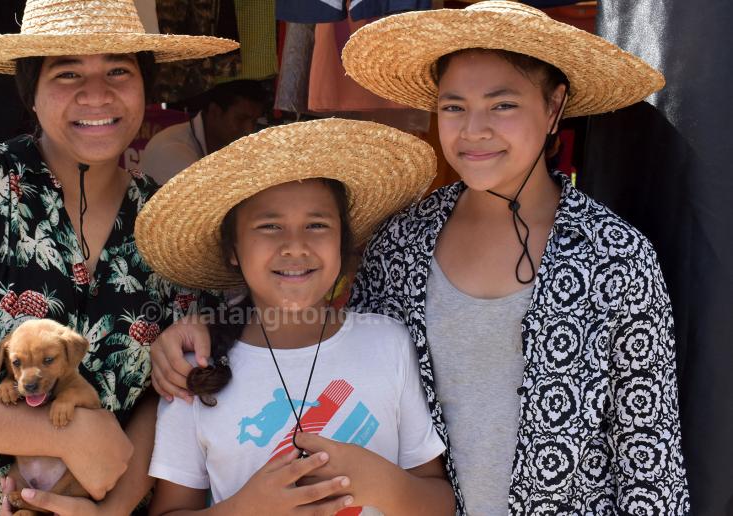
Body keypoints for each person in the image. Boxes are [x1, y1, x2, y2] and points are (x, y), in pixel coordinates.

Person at [148, 2, 690, 514]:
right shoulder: (404, 242)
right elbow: (313, 323)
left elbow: (649, 456)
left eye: (503, 105)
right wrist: (202, 332)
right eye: (454, 106)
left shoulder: (615, 257)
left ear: (554, 108)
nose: (474, 130)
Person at [0, 0, 237, 514]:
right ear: (29, 93)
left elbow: (167, 394)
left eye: (118, 70)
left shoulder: (167, 225)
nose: (96, 93)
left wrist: (114, 508)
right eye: (67, 72)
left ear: (147, 87)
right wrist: (64, 434)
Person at [135, 118, 453, 515]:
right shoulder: (195, 369)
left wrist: (383, 483)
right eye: (270, 227)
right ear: (233, 249)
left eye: (317, 225)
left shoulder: (388, 344)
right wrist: (243, 510)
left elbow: (440, 502)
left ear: (343, 241)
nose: (295, 246)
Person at [140, 80, 267, 184]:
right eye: (241, 119)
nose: (249, 130)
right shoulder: (173, 150)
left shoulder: (218, 146)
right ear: (214, 112)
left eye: (254, 121)